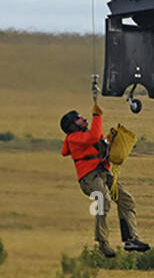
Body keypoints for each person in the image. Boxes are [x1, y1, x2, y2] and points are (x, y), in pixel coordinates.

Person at [60, 101, 149, 257]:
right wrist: (97, 116)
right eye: (79, 118)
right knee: (103, 201)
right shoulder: (73, 138)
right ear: (72, 126)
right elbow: (94, 136)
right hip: (89, 178)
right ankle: (103, 243)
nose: (83, 119)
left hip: (103, 174)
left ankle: (131, 239)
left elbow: (100, 141)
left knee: (126, 199)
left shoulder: (86, 136)